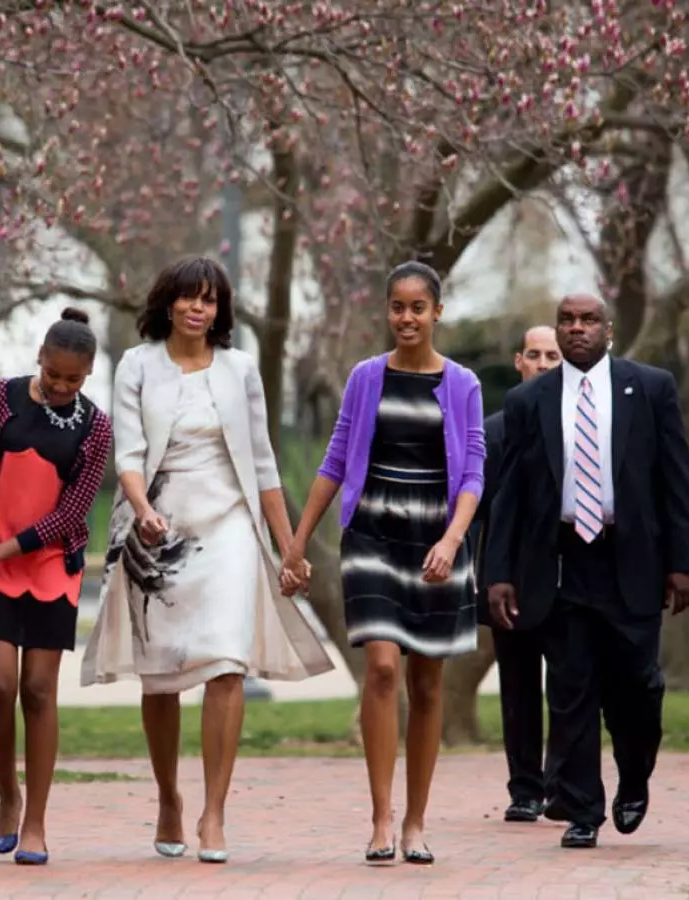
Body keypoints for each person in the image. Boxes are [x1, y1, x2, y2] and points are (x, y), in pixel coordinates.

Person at [81, 257, 332, 864]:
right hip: (158, 528)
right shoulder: (138, 365)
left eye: (211, 300)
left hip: (229, 529)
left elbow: (264, 462)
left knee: (225, 663)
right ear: (168, 303)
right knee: (161, 675)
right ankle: (168, 795)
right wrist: (142, 509)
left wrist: (287, 546)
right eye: (190, 298)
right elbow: (130, 455)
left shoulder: (241, 369)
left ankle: (214, 812)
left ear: (220, 310)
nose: (200, 309)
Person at [282, 261, 485, 865]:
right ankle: (380, 818)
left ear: (437, 313)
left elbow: (473, 471)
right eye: (397, 307)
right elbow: (334, 461)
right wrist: (296, 543)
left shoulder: (463, 383)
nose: (406, 318)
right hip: (372, 531)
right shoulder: (366, 378)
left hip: (435, 538)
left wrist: (451, 540)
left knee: (426, 682)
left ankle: (418, 822)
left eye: (418, 308)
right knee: (381, 670)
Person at [486, 293, 689, 850]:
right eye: (567, 320)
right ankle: (584, 809)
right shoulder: (528, 400)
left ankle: (634, 776)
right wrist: (500, 571)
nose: (576, 329)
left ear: (609, 328)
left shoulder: (651, 388)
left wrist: (685, 563)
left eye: (587, 321)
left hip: (631, 560)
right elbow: (509, 493)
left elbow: (675, 479)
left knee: (637, 686)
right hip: (561, 563)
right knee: (571, 687)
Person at [0, 308, 112, 866]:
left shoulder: (97, 425)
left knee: (38, 689)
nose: (63, 387)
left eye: (75, 380)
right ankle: (7, 794)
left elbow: (70, 516)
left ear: (87, 374)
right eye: (55, 374)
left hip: (47, 565)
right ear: (39, 356)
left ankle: (36, 821)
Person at [470, 325, 561, 823]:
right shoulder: (493, 432)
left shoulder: (582, 424)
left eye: (553, 354)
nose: (544, 362)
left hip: (571, 578)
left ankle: (566, 783)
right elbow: (475, 509)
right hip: (510, 580)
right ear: (518, 361)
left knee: (572, 686)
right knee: (519, 686)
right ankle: (525, 789)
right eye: (535, 354)